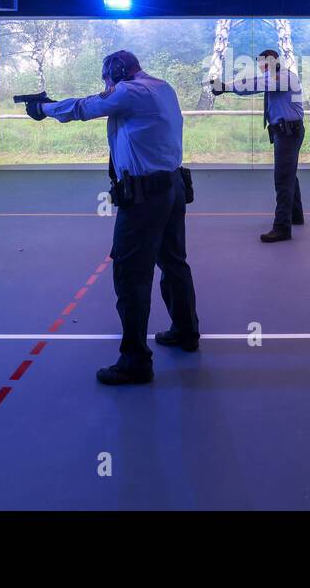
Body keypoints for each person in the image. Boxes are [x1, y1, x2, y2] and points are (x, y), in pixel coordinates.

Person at [21, 50, 200, 386]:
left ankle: (135, 361)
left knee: (131, 275)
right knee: (174, 263)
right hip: (172, 186)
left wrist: (43, 109)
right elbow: (99, 101)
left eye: (106, 79)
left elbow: (85, 107)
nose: (105, 85)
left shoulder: (129, 92)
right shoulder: (162, 87)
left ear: (116, 72)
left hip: (145, 195)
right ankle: (186, 332)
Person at [212, 48, 305, 242]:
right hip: (284, 131)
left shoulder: (286, 77)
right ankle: (295, 215)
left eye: (264, 63)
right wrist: (226, 85)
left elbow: (256, 84)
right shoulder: (275, 77)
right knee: (288, 174)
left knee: (283, 178)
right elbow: (257, 81)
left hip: (289, 132)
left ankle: (282, 228)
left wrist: (226, 86)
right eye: (261, 64)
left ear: (273, 61)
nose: (262, 68)